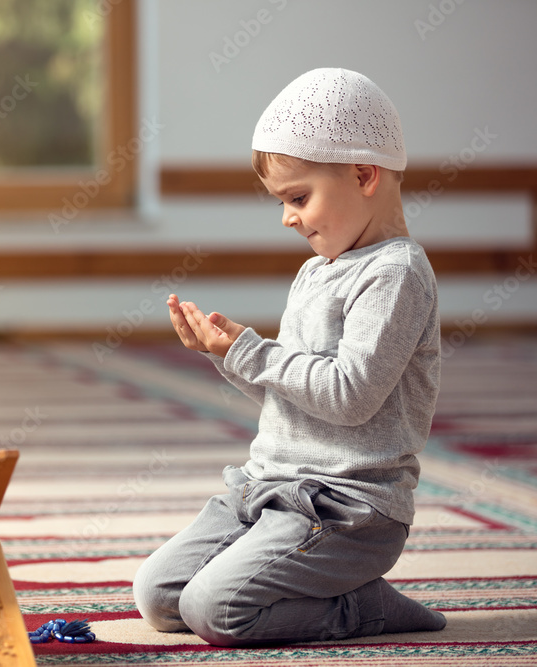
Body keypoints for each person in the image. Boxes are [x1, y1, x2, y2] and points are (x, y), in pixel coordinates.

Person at [133, 68, 446, 646]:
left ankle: (363, 605)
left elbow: (348, 398)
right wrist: (229, 356)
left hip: (344, 510)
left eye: (298, 198)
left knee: (216, 612)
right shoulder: (313, 272)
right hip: (268, 491)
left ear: (363, 174)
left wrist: (257, 352)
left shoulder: (396, 273)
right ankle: (296, 577)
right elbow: (299, 397)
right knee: (158, 596)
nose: (288, 217)